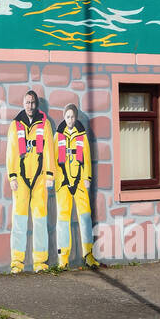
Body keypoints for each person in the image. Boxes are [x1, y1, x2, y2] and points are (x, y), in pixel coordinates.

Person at [6, 89, 54, 273]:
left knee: (40, 220)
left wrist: (50, 175)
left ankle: (40, 262)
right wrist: (11, 176)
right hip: (20, 179)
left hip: (40, 179)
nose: (30, 106)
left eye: (33, 103)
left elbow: (49, 148)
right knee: (19, 220)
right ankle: (17, 262)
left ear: (37, 104)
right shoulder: (15, 125)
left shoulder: (45, 124)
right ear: (23, 103)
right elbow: (11, 152)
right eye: (27, 102)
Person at [54, 104, 98, 269]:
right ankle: (62, 258)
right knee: (63, 219)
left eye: (72, 117)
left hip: (79, 181)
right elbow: (53, 158)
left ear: (76, 117)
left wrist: (87, 177)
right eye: (67, 117)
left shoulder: (82, 135)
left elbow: (86, 157)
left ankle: (88, 254)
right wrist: (55, 178)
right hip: (63, 182)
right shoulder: (58, 135)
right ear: (64, 118)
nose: (70, 120)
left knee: (85, 217)